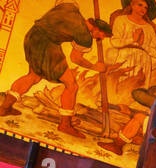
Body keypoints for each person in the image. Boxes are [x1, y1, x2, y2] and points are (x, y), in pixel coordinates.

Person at [0, 4, 111, 140]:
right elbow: (75, 58)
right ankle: (65, 124)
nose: (100, 38)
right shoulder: (84, 36)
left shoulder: (70, 8)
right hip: (48, 46)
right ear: (97, 29)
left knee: (34, 76)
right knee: (72, 85)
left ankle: (4, 108)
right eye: (102, 35)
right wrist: (95, 67)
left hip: (32, 37)